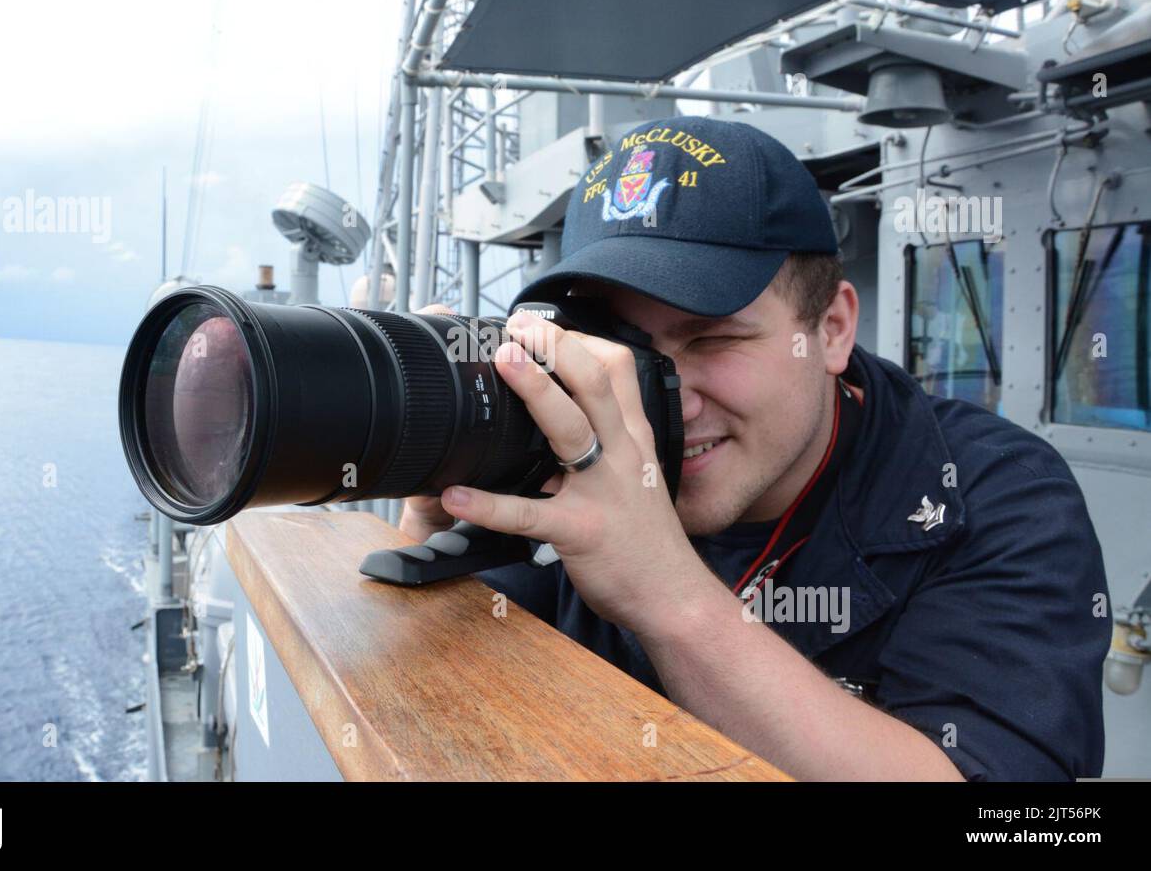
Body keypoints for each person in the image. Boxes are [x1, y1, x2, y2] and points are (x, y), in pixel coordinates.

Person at [400, 115, 1110, 781]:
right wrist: (437, 535)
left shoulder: (994, 492)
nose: (666, 393)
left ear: (830, 328)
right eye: (621, 347)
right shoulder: (571, 452)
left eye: (711, 339)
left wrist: (668, 597)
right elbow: (444, 713)